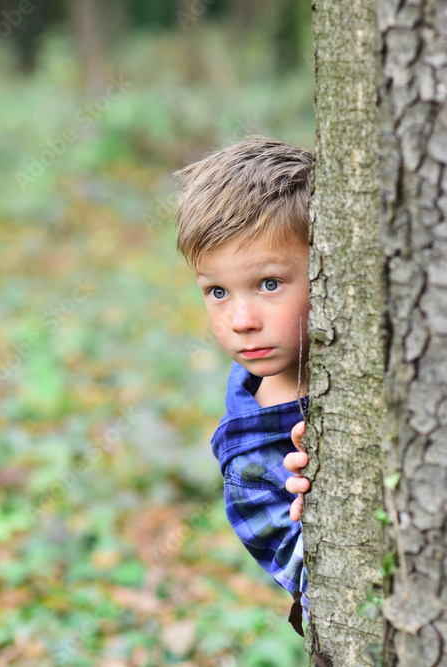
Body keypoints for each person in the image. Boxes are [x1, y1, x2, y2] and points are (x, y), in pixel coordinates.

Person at [173, 137, 314, 636]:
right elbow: (317, 584)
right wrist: (315, 510)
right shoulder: (250, 458)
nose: (241, 320)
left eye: (269, 284)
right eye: (217, 291)